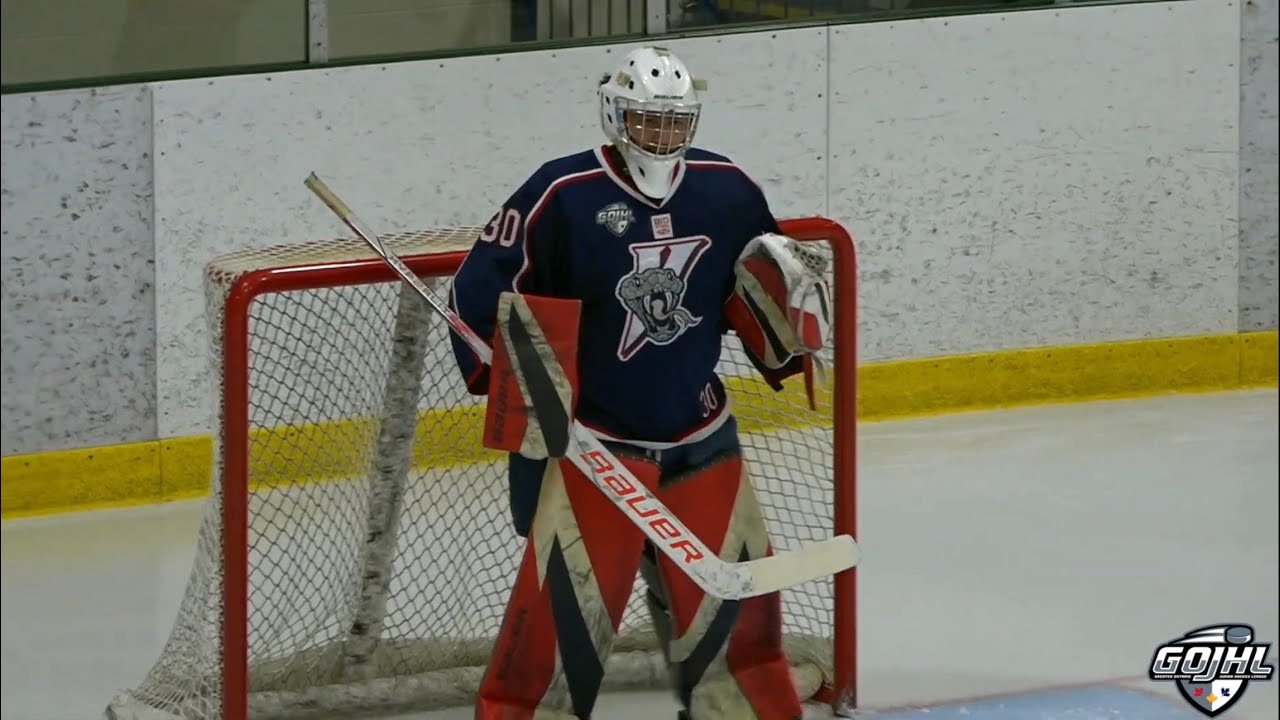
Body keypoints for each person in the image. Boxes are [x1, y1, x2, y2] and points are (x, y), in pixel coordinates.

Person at [447, 45, 831, 720]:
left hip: (702, 435)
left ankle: (741, 710)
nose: (662, 135)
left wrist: (787, 332)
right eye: (647, 119)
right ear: (614, 115)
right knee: (561, 627)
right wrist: (522, 391)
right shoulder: (560, 194)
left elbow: (756, 289)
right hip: (596, 449)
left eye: (675, 121)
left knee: (736, 620)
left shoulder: (728, 188)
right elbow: (481, 292)